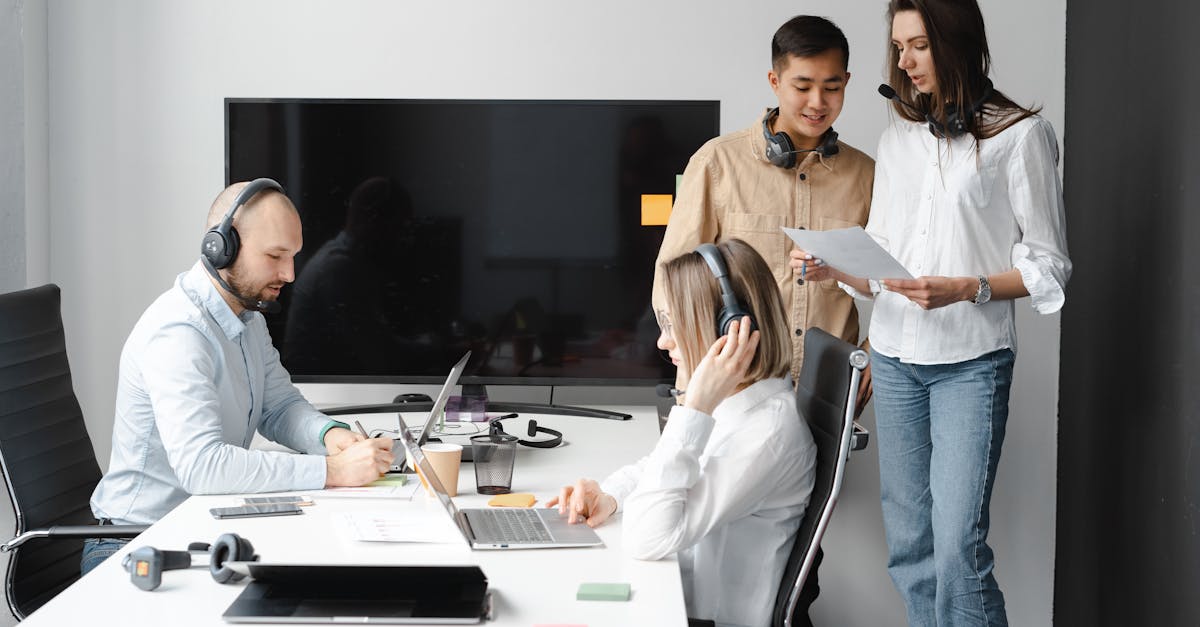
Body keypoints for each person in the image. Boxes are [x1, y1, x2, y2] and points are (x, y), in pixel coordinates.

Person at [795, 1, 1071, 624]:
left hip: (971, 363)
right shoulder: (899, 138)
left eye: (918, 45)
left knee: (957, 551)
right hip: (894, 359)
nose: (905, 62)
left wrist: (969, 288)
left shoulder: (1020, 135)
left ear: (956, 40)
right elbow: (886, 258)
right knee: (911, 546)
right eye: (899, 48)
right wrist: (834, 267)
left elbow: (1049, 266)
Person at [84, 180, 395, 575]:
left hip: (196, 531)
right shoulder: (178, 333)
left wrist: (330, 437)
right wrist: (334, 471)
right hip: (135, 546)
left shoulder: (247, 317)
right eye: (275, 256)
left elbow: (279, 407)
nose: (290, 274)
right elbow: (203, 466)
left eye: (293, 257)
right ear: (222, 247)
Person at [550, 239, 816, 627]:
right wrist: (610, 495)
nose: (663, 341)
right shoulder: (740, 405)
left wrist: (695, 407)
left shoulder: (768, 433)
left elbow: (647, 538)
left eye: (676, 325)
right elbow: (661, 467)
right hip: (676, 599)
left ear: (731, 328)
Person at [653, 15, 875, 412]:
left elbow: (899, 279)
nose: (817, 102)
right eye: (802, 87)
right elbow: (672, 277)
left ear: (846, 82)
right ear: (775, 81)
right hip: (734, 397)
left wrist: (876, 351)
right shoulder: (716, 163)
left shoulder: (868, 175)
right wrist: (694, 378)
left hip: (825, 396)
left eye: (832, 87)